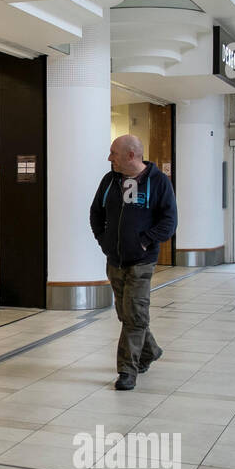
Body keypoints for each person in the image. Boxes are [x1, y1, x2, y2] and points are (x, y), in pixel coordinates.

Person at [89, 135, 177, 391]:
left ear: (130, 155)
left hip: (141, 261)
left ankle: (128, 370)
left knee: (135, 314)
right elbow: (96, 212)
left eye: (113, 153)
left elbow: (169, 221)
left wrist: (144, 242)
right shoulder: (110, 180)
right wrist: (103, 240)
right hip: (114, 259)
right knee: (125, 314)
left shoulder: (158, 182)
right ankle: (150, 350)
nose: (109, 158)